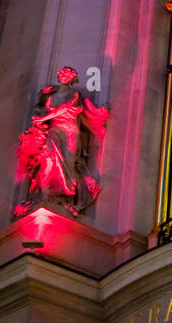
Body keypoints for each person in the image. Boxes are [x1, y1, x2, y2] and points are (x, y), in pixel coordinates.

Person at [15, 67, 109, 216]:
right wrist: (39, 116)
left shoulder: (74, 94)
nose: (65, 75)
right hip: (54, 130)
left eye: (69, 74)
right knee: (48, 160)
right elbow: (42, 111)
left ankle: (66, 198)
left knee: (69, 163)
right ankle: (45, 195)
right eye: (63, 73)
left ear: (73, 78)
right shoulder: (50, 95)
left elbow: (64, 109)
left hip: (69, 131)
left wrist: (42, 118)